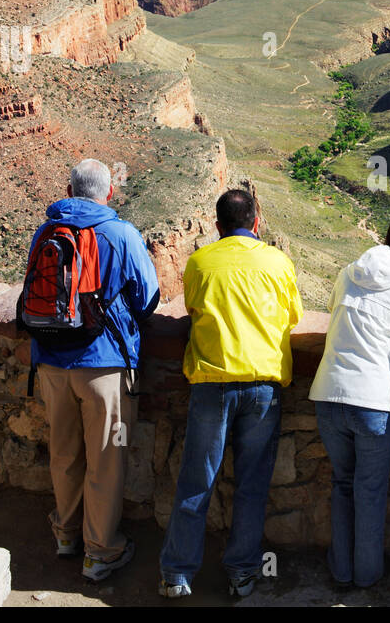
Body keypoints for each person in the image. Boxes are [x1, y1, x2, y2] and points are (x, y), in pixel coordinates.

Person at [159, 188, 303, 599]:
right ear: (257, 222)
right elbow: (292, 316)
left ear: (217, 226)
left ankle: (177, 574)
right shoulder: (278, 262)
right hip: (262, 385)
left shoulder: (200, 261)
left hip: (211, 383)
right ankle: (241, 572)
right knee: (253, 484)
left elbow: (191, 310)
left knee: (196, 481)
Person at [29, 158, 160, 583]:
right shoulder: (121, 233)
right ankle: (100, 552)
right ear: (109, 192)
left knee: (64, 453)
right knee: (105, 458)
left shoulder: (45, 231)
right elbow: (148, 298)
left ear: (69, 188)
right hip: (103, 367)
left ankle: (66, 535)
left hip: (50, 362)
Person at [309, 213, 390, 589]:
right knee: (369, 492)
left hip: (328, 393)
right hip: (375, 399)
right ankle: (365, 577)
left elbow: (339, 313)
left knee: (342, 484)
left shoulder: (347, 272)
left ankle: (341, 570)